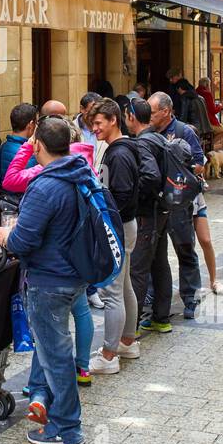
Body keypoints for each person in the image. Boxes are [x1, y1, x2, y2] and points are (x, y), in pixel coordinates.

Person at [0, 116, 91, 444]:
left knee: (56, 356)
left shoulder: (46, 185)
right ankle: (48, 406)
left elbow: (23, 242)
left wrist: (6, 235)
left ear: (37, 145)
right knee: (56, 350)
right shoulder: (80, 171)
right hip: (74, 273)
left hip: (50, 280)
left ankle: (67, 429)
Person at [89, 99, 157, 375]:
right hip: (125, 226)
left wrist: (106, 219)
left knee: (112, 292)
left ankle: (109, 355)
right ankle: (127, 341)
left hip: (119, 227)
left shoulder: (118, 154)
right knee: (124, 284)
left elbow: (122, 194)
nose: (94, 128)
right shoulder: (121, 149)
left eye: (98, 123)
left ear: (113, 120)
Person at [127, 98, 195, 333]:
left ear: (131, 117)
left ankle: (131, 328)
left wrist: (137, 195)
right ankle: (161, 317)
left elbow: (152, 176)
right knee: (159, 263)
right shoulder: (159, 138)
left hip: (148, 214)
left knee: (138, 268)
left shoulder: (143, 143)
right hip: (163, 211)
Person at [145, 92, 207, 321]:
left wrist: (180, 167)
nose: (149, 117)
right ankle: (153, 297)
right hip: (156, 203)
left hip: (179, 203)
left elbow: (200, 163)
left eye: (153, 113)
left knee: (184, 248)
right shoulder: (148, 133)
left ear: (166, 111)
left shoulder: (183, 131)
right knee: (154, 254)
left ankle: (190, 296)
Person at [0, 103, 37, 216]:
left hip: (4, 204)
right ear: (31, 125)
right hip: (23, 207)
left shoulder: (1, 148)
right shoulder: (31, 153)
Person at [176, 78, 213, 144]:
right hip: (206, 127)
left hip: (195, 128)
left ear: (180, 88)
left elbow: (183, 118)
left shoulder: (185, 98)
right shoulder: (200, 97)